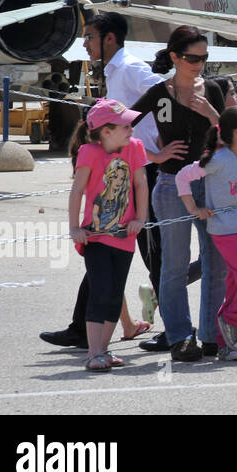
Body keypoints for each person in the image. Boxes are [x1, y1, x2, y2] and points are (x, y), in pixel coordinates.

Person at [41, 12, 169, 353]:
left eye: (89, 36)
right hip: (123, 174)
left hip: (144, 172)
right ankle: (83, 328)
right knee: (103, 247)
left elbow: (163, 91)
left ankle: (174, 329)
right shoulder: (113, 69)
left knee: (152, 253)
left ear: (109, 38)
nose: (84, 43)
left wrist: (153, 144)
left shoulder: (128, 67)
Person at [129, 26, 227, 362]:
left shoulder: (212, 89)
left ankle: (213, 335)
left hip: (210, 184)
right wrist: (154, 156)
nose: (198, 64)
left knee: (217, 262)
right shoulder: (159, 92)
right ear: (174, 57)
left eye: (204, 57)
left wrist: (211, 114)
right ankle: (180, 337)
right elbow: (119, 128)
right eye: (191, 58)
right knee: (173, 264)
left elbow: (233, 135)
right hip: (171, 185)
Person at [175, 106, 237, 360]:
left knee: (236, 284)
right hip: (226, 233)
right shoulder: (218, 160)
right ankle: (231, 320)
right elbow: (182, 177)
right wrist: (193, 208)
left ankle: (225, 345)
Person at [67, 99, 149, 371]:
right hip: (96, 237)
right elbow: (77, 190)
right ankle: (93, 352)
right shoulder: (89, 152)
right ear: (106, 131)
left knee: (115, 293)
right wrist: (75, 227)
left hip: (125, 236)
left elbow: (140, 184)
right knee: (100, 292)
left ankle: (103, 349)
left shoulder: (135, 148)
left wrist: (141, 218)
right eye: (125, 125)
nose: (131, 129)